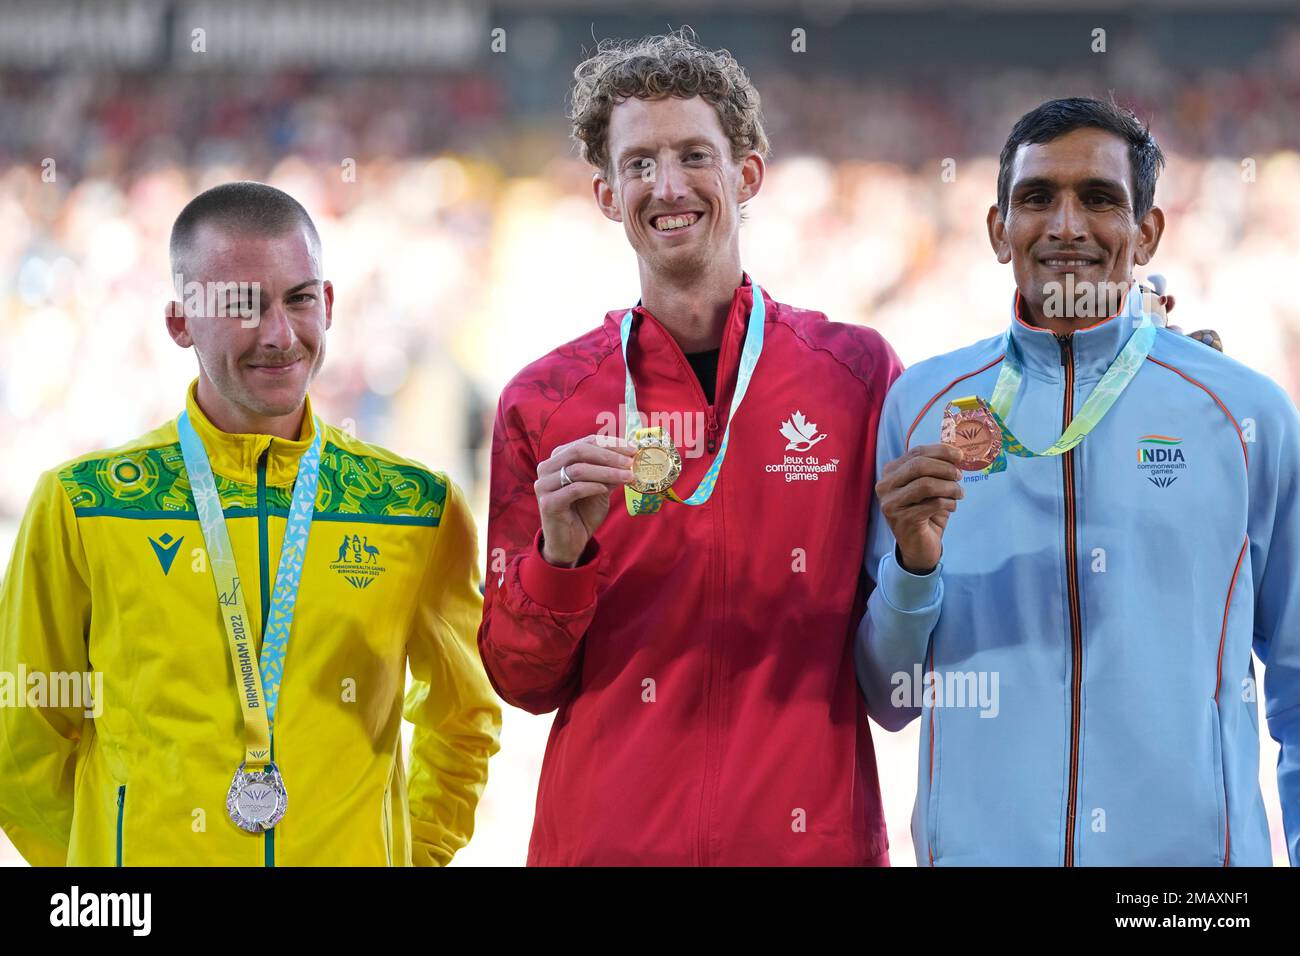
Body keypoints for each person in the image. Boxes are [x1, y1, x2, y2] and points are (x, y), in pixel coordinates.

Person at [477, 29, 902, 866]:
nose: (666, 187)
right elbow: (521, 681)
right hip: (606, 847)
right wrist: (559, 558)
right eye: (638, 164)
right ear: (606, 194)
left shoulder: (855, 376)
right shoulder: (544, 399)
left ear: (747, 175)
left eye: (693, 156)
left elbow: (903, 665)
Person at [0, 181, 501, 866]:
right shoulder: (84, 505)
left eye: (298, 298)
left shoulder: (414, 507)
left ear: (326, 304)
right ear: (179, 321)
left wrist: (410, 853)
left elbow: (462, 719)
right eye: (241, 303)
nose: (278, 333)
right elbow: (22, 737)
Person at [857, 97, 1300, 866]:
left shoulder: (1243, 413)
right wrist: (913, 569)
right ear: (999, 231)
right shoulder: (921, 408)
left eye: (1099, 199)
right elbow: (885, 696)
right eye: (1036, 199)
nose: (1066, 226)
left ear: (1148, 232)